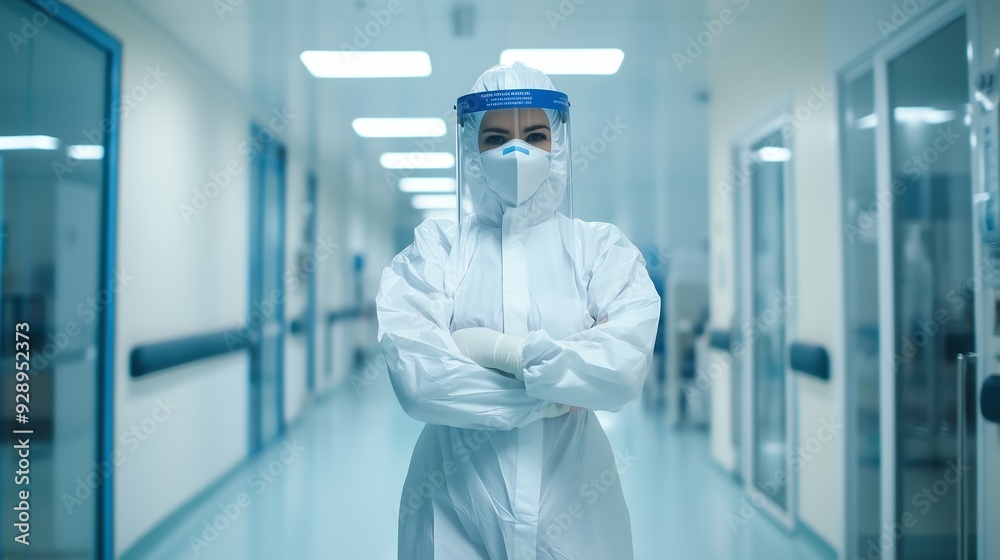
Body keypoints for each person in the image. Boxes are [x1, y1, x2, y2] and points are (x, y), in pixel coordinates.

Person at [376, 62, 660, 560]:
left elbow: (622, 368)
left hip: (576, 508)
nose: (516, 152)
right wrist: (560, 391)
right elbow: (420, 380)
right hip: (451, 504)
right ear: (470, 146)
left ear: (559, 142)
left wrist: (492, 352)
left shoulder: (599, 250)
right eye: (495, 137)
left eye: (534, 135)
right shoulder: (437, 250)